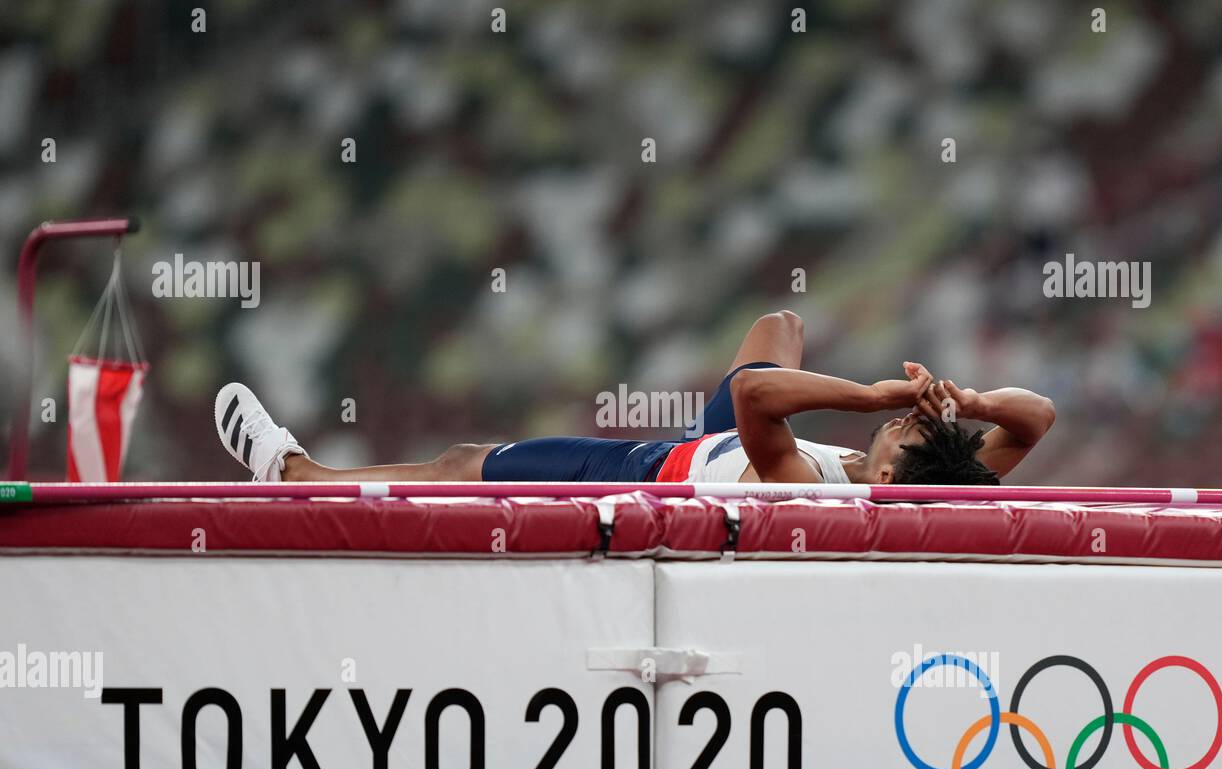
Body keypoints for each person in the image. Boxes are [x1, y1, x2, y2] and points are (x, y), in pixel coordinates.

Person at [213, 310, 1054, 486]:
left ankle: (296, 472)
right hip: (723, 444)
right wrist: (971, 399)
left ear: (888, 477)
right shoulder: (941, 480)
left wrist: (874, 396)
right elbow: (1040, 416)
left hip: (668, 467)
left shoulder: (810, 486)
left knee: (463, 462)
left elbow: (760, 395)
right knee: (782, 322)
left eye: (905, 434)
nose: (909, 421)